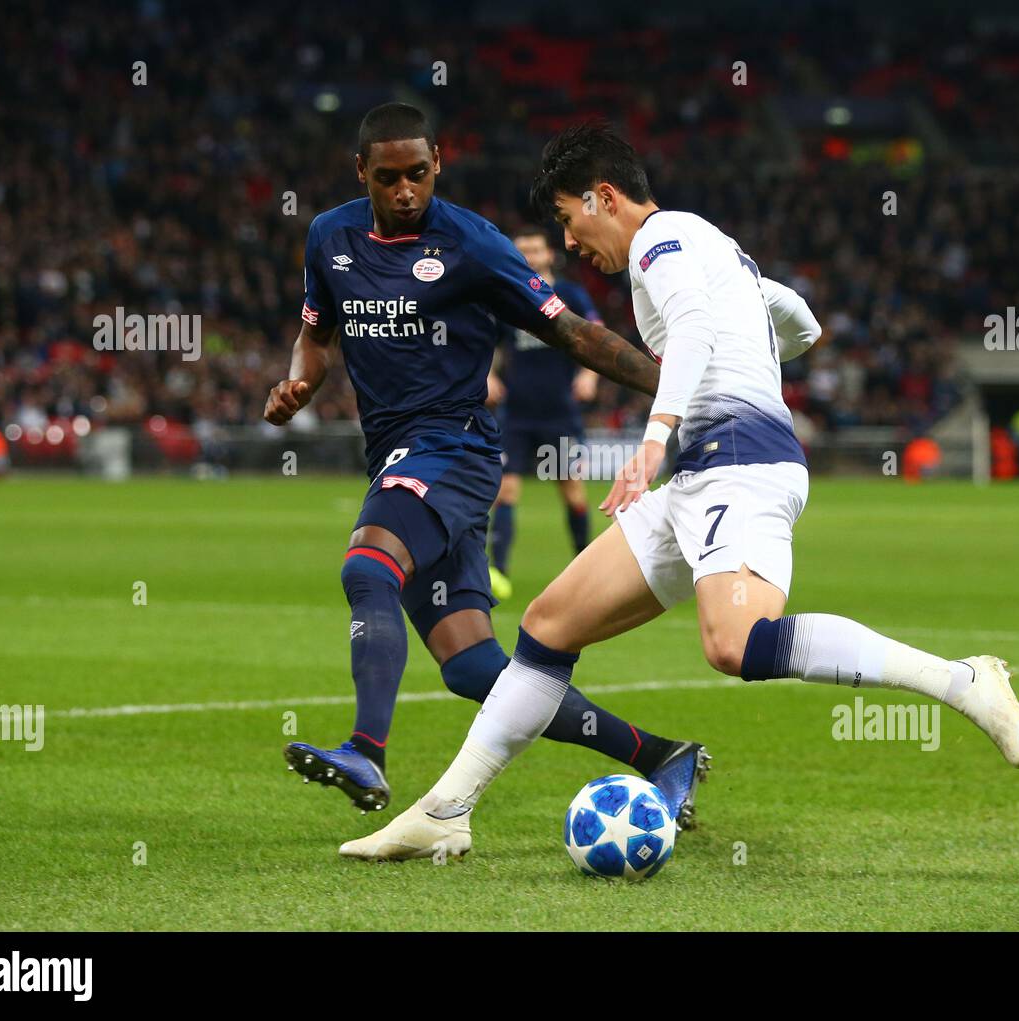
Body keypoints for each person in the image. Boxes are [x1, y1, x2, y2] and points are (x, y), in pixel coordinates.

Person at [338, 122, 1019, 862]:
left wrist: (652, 438)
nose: (571, 243)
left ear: (605, 197)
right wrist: (757, 353)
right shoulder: (712, 246)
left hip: (737, 461)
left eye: (571, 219)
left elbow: (698, 324)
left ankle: (963, 681)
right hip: (704, 470)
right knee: (547, 624)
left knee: (734, 644)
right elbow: (799, 316)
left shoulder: (657, 240)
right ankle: (447, 810)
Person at [264, 106, 709, 826]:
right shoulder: (330, 236)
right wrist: (299, 383)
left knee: (367, 566)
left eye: (417, 173)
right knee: (475, 668)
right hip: (397, 454)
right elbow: (315, 336)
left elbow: (573, 333)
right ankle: (661, 754)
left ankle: (366, 749)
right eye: (388, 178)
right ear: (361, 174)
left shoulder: (473, 243)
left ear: (438, 162)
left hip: (456, 446)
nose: (405, 190)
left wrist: (679, 379)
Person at [487, 227, 602, 600]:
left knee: (571, 491)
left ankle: (587, 569)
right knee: (505, 490)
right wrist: (488, 375)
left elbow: (596, 336)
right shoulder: (507, 297)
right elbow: (486, 343)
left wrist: (588, 375)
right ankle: (497, 572)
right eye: (523, 251)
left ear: (549, 254)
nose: (531, 256)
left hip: (559, 413)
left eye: (536, 248)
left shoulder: (569, 295)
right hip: (516, 414)